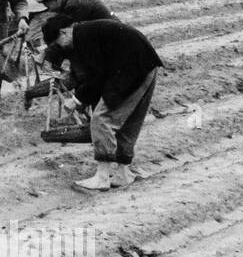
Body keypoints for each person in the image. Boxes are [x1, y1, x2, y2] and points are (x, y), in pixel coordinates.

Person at [43, 15, 163, 191]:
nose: (60, 46)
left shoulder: (84, 38)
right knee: (128, 121)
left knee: (101, 119)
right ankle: (123, 173)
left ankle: (102, 177)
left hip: (131, 69)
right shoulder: (88, 31)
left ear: (64, 31)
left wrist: (77, 100)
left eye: (58, 41)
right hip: (147, 67)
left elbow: (98, 77)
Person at [35, 0, 115, 83]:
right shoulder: (68, 1)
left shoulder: (75, 5)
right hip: (97, 31)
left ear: (56, 0)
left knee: (62, 34)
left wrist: (45, 53)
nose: (47, 8)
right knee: (50, 26)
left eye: (47, 4)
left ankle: (67, 70)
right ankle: (56, 65)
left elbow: (69, 34)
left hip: (109, 37)